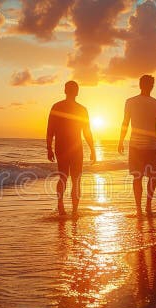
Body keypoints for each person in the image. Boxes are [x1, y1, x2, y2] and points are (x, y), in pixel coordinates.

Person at [118, 75, 156, 216]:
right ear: (151, 86)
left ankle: (139, 209)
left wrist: (120, 141)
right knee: (152, 177)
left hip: (137, 146)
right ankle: (147, 206)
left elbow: (125, 123)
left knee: (138, 177)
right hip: (150, 146)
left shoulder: (130, 102)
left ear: (140, 85)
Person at [46, 81, 96, 215]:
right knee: (76, 179)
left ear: (65, 91)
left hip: (61, 147)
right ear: (77, 92)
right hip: (76, 148)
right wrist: (92, 149)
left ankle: (60, 204)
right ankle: (74, 210)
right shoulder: (82, 109)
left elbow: (50, 129)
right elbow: (87, 132)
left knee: (63, 176)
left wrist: (49, 148)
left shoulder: (56, 106)